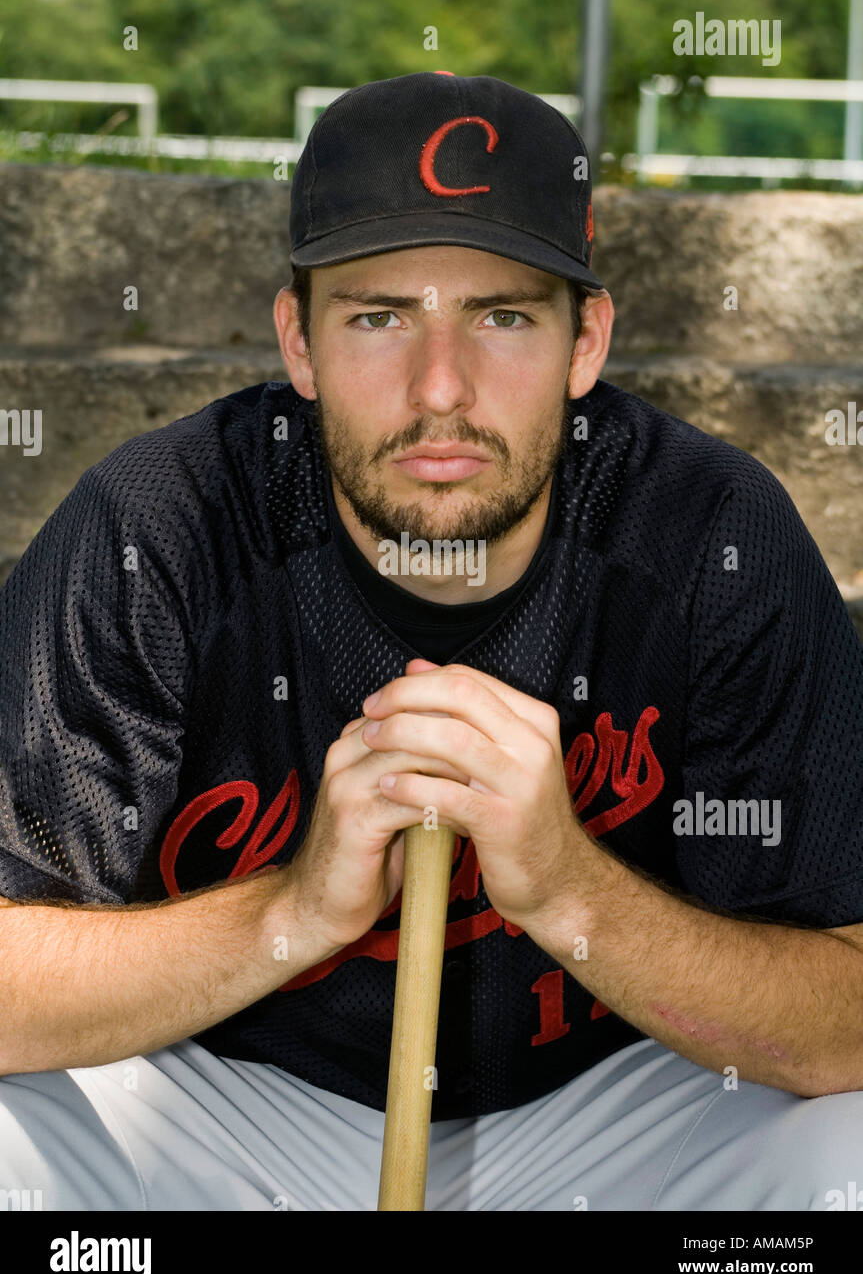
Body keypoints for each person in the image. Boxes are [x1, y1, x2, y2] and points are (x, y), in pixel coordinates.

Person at [1, 71, 863, 1213]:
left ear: (584, 341)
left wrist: (565, 888)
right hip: (222, 1109)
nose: (439, 387)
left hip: (620, 1115)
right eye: (377, 315)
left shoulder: (709, 535)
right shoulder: (158, 527)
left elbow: (845, 1017)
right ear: (297, 342)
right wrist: (288, 911)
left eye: (501, 315)